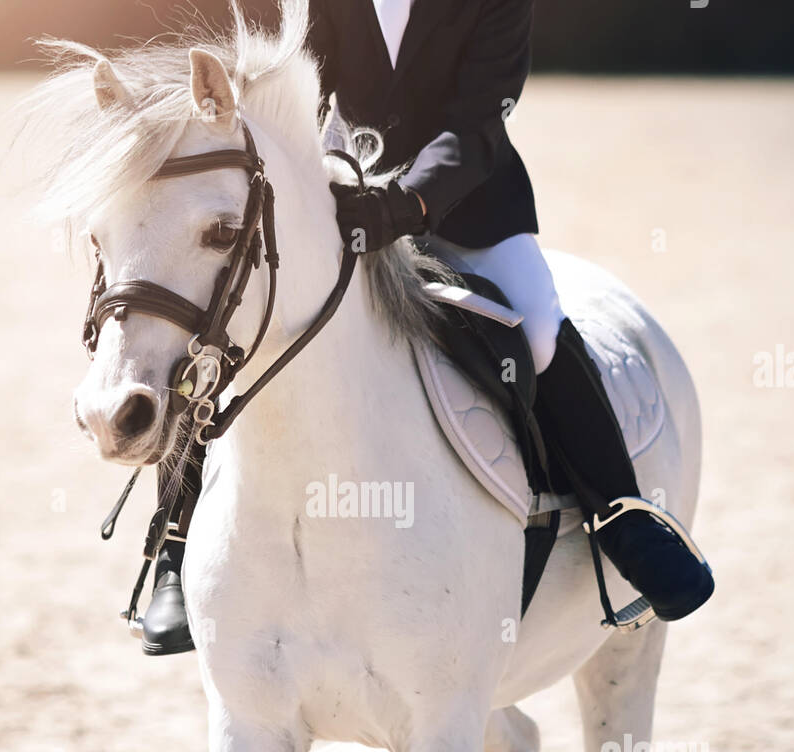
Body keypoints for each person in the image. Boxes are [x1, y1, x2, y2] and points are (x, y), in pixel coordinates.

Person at [140, 0, 714, 655]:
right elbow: (297, 89)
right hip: (343, 199)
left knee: (540, 330)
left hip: (469, 206)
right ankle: (174, 548)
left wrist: (407, 201)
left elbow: (477, 123)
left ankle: (622, 519)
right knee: (227, 323)